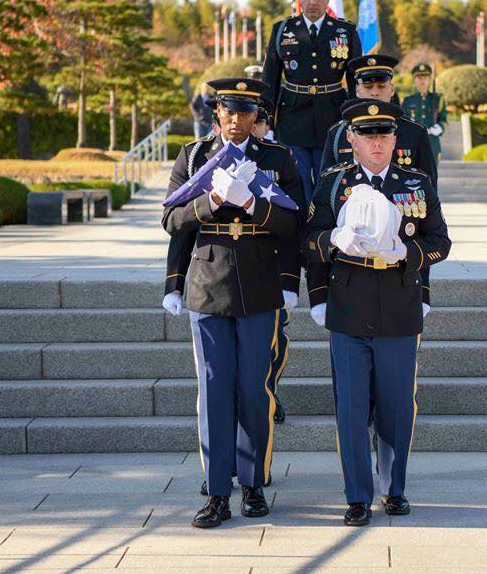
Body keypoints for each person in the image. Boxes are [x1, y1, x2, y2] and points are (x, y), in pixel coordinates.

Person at [162, 77, 305, 529]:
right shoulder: (193, 156)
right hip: (208, 282)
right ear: (217, 112)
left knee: (253, 390)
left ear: (257, 115)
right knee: (214, 390)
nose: (238, 119)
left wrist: (254, 207)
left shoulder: (277, 158)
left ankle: (254, 484)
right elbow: (172, 220)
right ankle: (217, 492)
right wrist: (213, 201)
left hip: (260, 282)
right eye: (230, 110)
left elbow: (295, 223)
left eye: (247, 111)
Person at [304, 99, 451, 526]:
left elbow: (441, 241)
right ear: (351, 139)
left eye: (384, 135)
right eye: (367, 135)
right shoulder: (333, 183)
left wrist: (407, 253)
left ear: (394, 138)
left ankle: (394, 488)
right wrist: (333, 242)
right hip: (349, 302)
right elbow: (307, 240)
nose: (377, 143)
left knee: (396, 406)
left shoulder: (416, 183)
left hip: (399, 301)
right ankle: (357, 495)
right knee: (351, 408)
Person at [262, 0, 362, 201]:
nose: (313, 2)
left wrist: (357, 118)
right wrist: (266, 117)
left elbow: (355, 78)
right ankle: (300, 223)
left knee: (329, 179)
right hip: (292, 118)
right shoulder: (282, 30)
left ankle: (323, 223)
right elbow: (270, 79)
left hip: (332, 115)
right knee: (296, 181)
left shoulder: (345, 31)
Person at [320, 54, 438, 188]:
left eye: (381, 86)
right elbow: (326, 185)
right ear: (357, 90)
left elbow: (429, 185)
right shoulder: (337, 133)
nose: (375, 92)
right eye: (368, 87)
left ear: (392, 89)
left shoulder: (415, 131)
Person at [252, 98, 297, 424]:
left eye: (259, 121)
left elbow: (294, 214)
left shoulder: (278, 157)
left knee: (275, 339)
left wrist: (290, 277)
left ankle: (270, 390)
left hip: (272, 261)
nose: (254, 127)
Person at [401, 63, 447, 165]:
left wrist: (439, 128)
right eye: (419, 78)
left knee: (431, 173)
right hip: (413, 143)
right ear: (414, 80)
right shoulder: (408, 100)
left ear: (429, 80)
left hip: (432, 143)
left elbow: (443, 119)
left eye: (425, 78)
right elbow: (403, 122)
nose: (422, 81)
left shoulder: (438, 99)